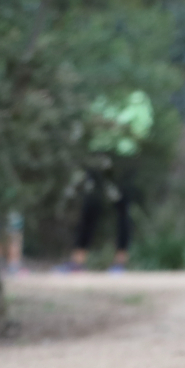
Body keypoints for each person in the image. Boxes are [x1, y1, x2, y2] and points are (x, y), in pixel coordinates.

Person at [66, 91, 154, 272]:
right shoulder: (102, 95)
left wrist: (116, 127)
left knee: (123, 209)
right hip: (99, 157)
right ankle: (78, 260)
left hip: (124, 159)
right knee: (90, 206)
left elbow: (141, 133)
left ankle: (120, 261)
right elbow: (89, 125)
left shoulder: (137, 98)